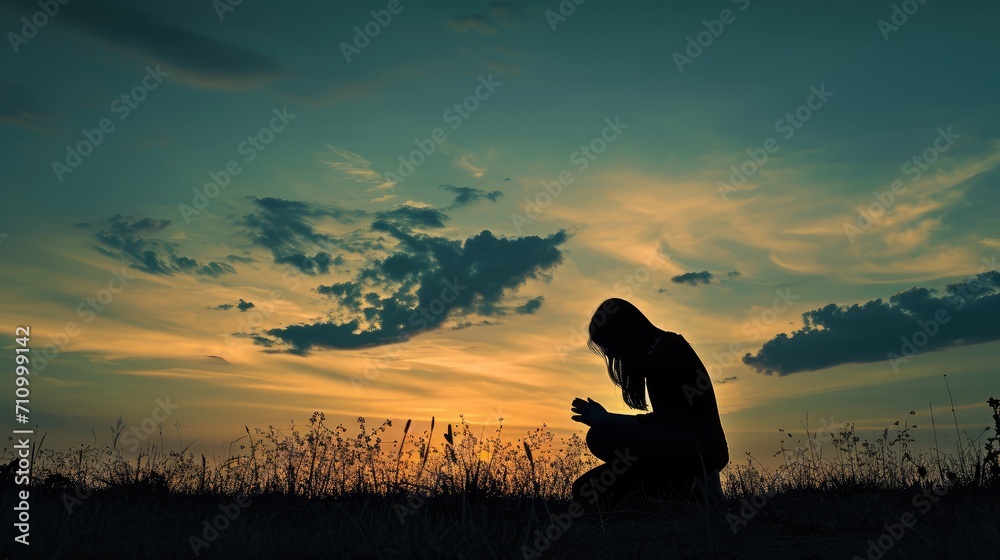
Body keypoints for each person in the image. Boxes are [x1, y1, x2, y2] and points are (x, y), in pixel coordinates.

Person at [570, 298, 729, 507]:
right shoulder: (657, 352)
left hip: (698, 450)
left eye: (611, 347)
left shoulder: (670, 351)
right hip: (673, 451)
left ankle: (694, 483)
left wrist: (607, 419)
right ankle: (678, 495)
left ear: (623, 334)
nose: (613, 355)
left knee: (601, 435)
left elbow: (670, 421)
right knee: (584, 489)